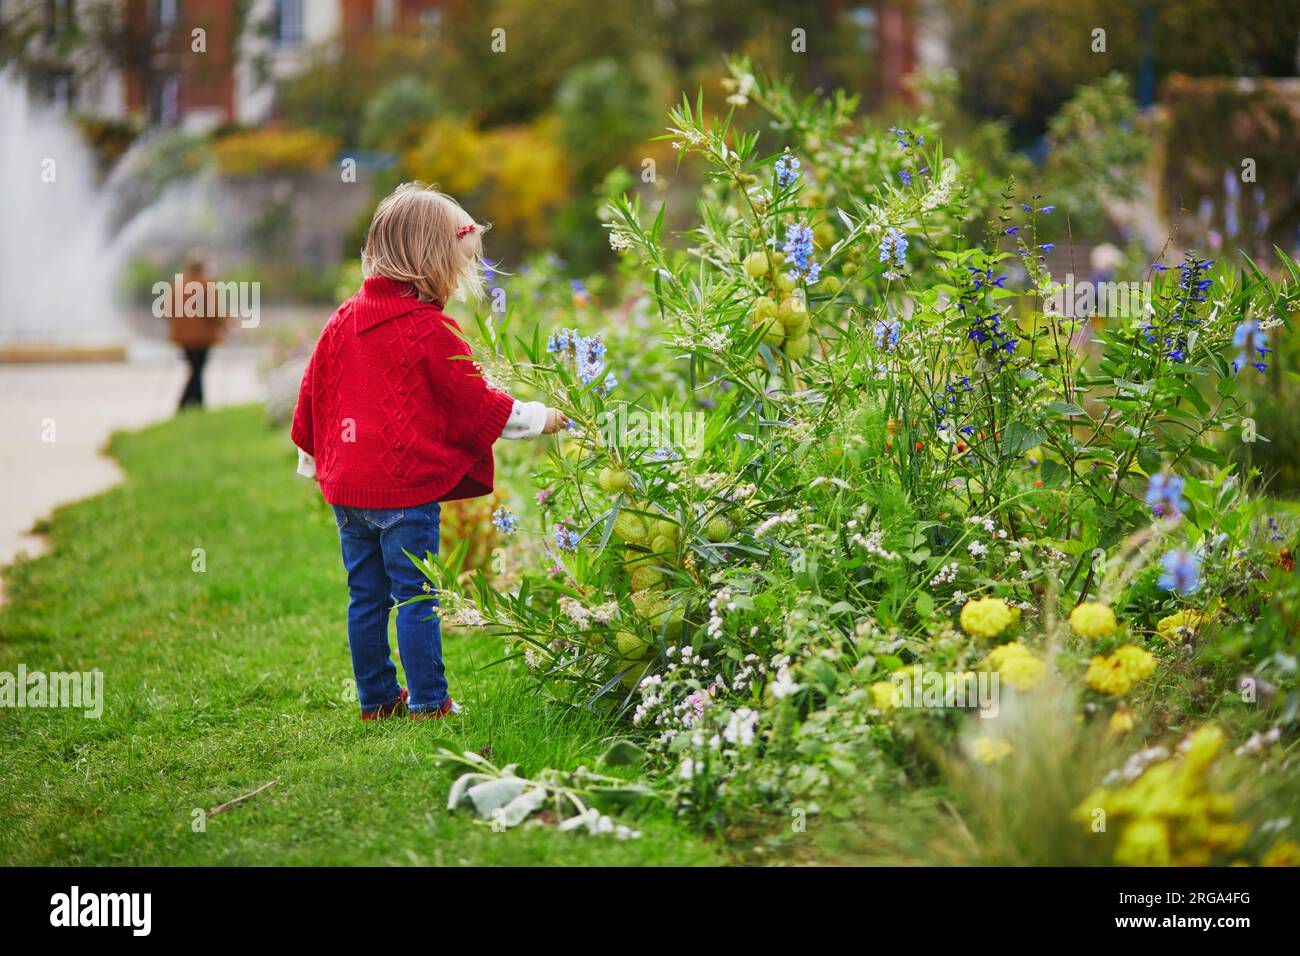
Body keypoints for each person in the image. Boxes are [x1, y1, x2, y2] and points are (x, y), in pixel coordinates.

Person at [291, 183, 567, 721]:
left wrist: (317, 461)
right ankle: (427, 702)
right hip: (404, 491)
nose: (464, 277)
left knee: (366, 598)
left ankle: (375, 700)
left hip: (348, 492)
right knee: (417, 595)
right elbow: (475, 402)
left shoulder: (343, 318)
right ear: (431, 260)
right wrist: (539, 418)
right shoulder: (430, 329)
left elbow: (314, 395)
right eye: (461, 264)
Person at [168, 258, 225, 410]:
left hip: (183, 337)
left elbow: (168, 310)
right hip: (202, 338)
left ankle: (196, 402)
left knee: (195, 368)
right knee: (197, 369)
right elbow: (212, 311)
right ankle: (187, 402)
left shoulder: (178, 285)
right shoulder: (206, 284)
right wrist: (225, 324)